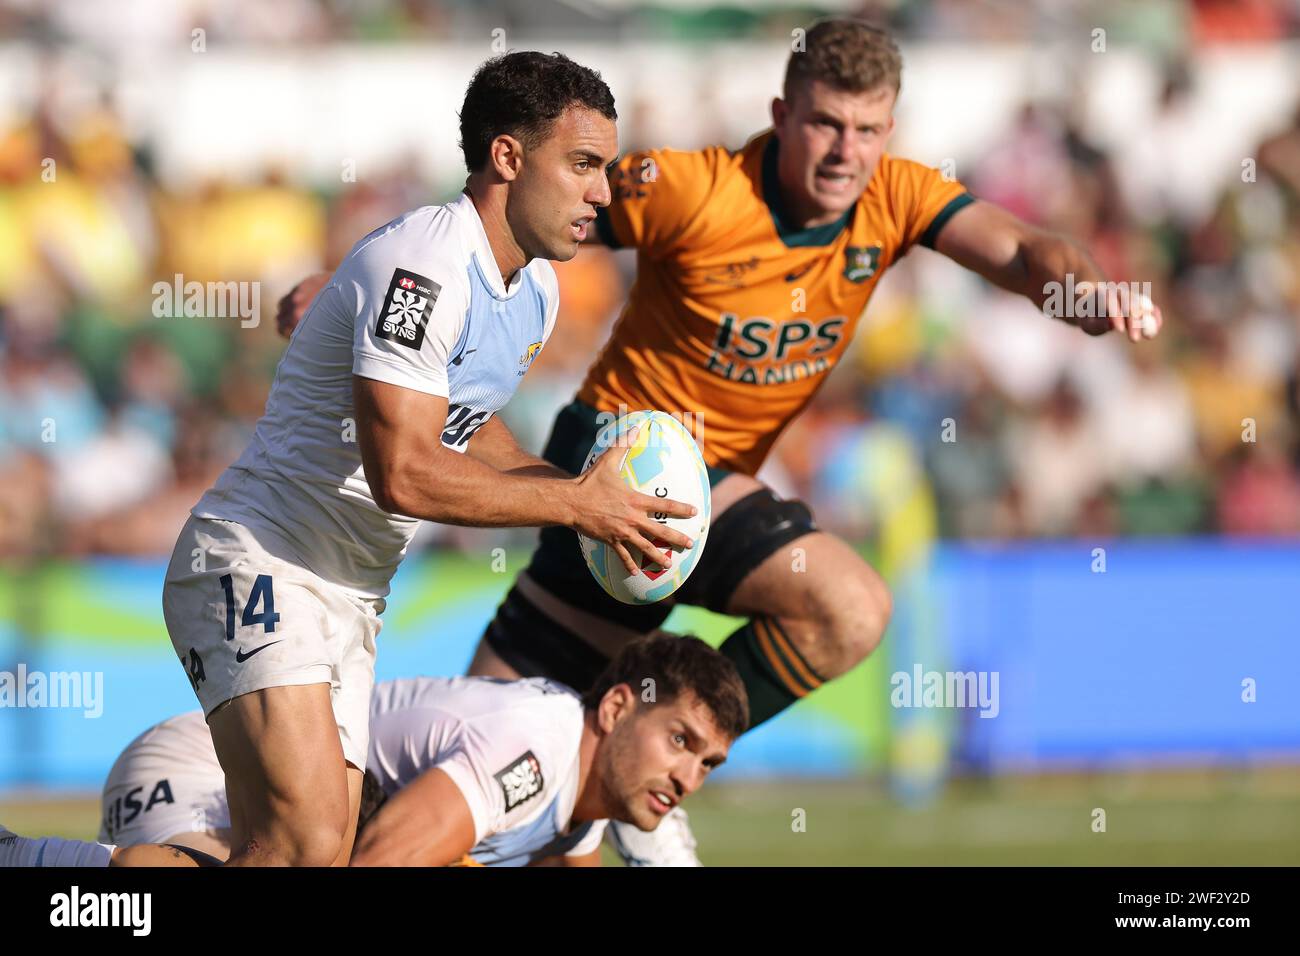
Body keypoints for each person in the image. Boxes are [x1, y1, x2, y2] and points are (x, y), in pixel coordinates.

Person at [275, 19, 1165, 865]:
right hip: (616, 457)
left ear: (890, 133)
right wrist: (361, 277)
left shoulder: (899, 197)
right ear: (781, 116)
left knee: (847, 610)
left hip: (715, 483)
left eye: (866, 130)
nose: (844, 150)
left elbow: (1020, 249)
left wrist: (1081, 294)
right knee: (474, 773)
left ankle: (651, 771)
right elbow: (523, 210)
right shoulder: (691, 188)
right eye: (822, 122)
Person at [158, 51, 696, 868]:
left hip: (350, 590)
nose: (602, 193)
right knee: (301, 842)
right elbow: (403, 472)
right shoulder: (428, 265)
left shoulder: (536, 289)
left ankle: (49, 869)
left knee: (308, 852)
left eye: (607, 168)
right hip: (262, 560)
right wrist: (579, 507)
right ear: (508, 158)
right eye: (584, 164)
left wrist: (595, 500)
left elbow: (472, 432)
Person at [0, 635, 745, 868]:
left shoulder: (581, 812)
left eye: (707, 763)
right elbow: (377, 866)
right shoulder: (538, 752)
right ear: (617, 707)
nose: (688, 776)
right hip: (200, 774)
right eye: (681, 740)